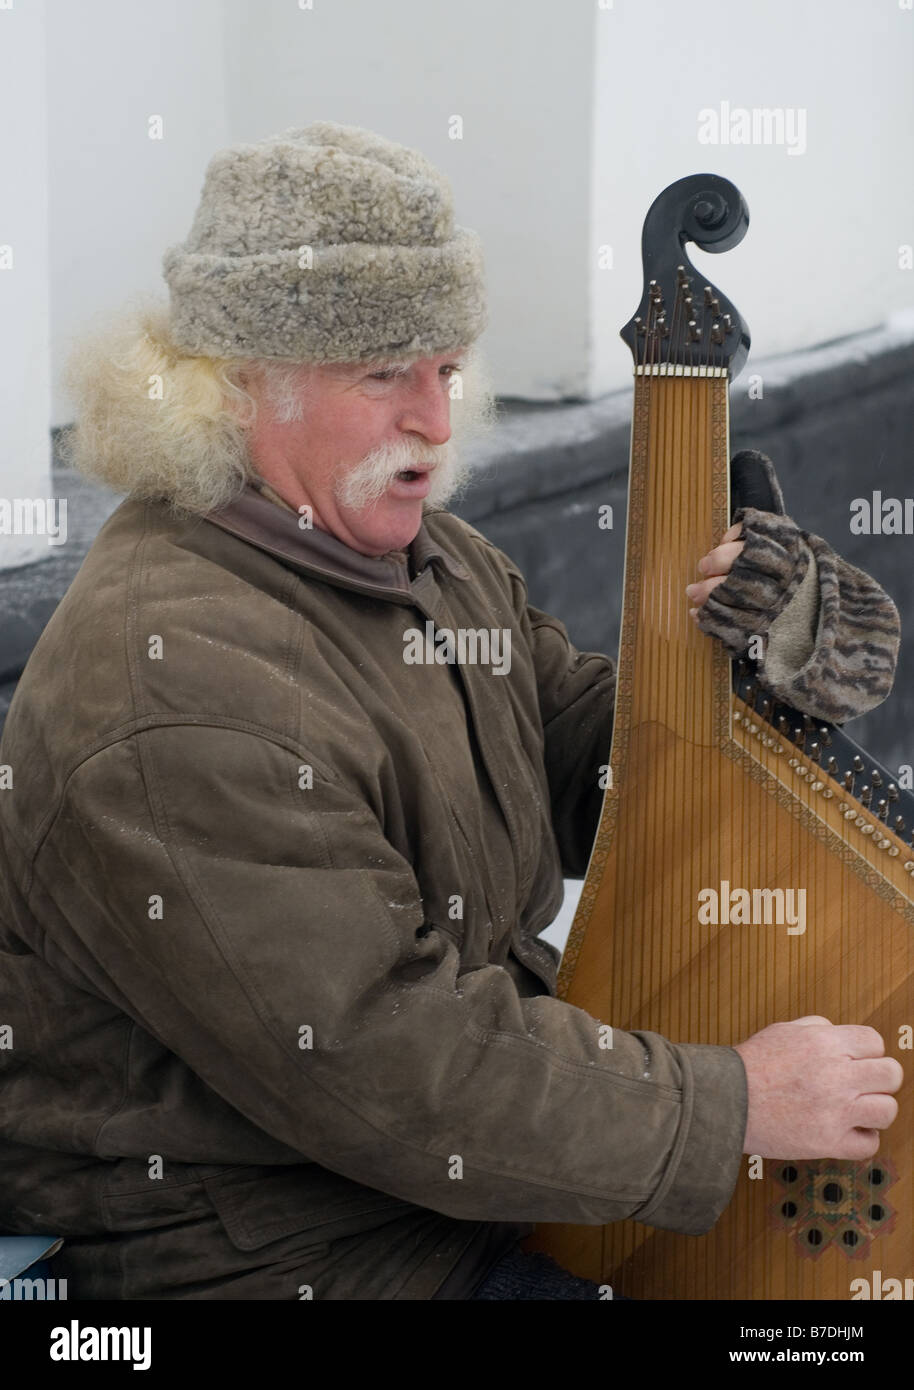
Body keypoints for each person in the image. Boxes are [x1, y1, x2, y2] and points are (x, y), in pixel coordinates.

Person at [0, 122, 903, 1301]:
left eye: (447, 366)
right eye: (381, 372)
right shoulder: (173, 691)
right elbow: (382, 1063)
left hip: (462, 1184)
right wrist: (728, 1101)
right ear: (230, 390)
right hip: (286, 1249)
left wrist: (764, 648)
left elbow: (603, 765)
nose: (434, 415)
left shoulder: (425, 561)